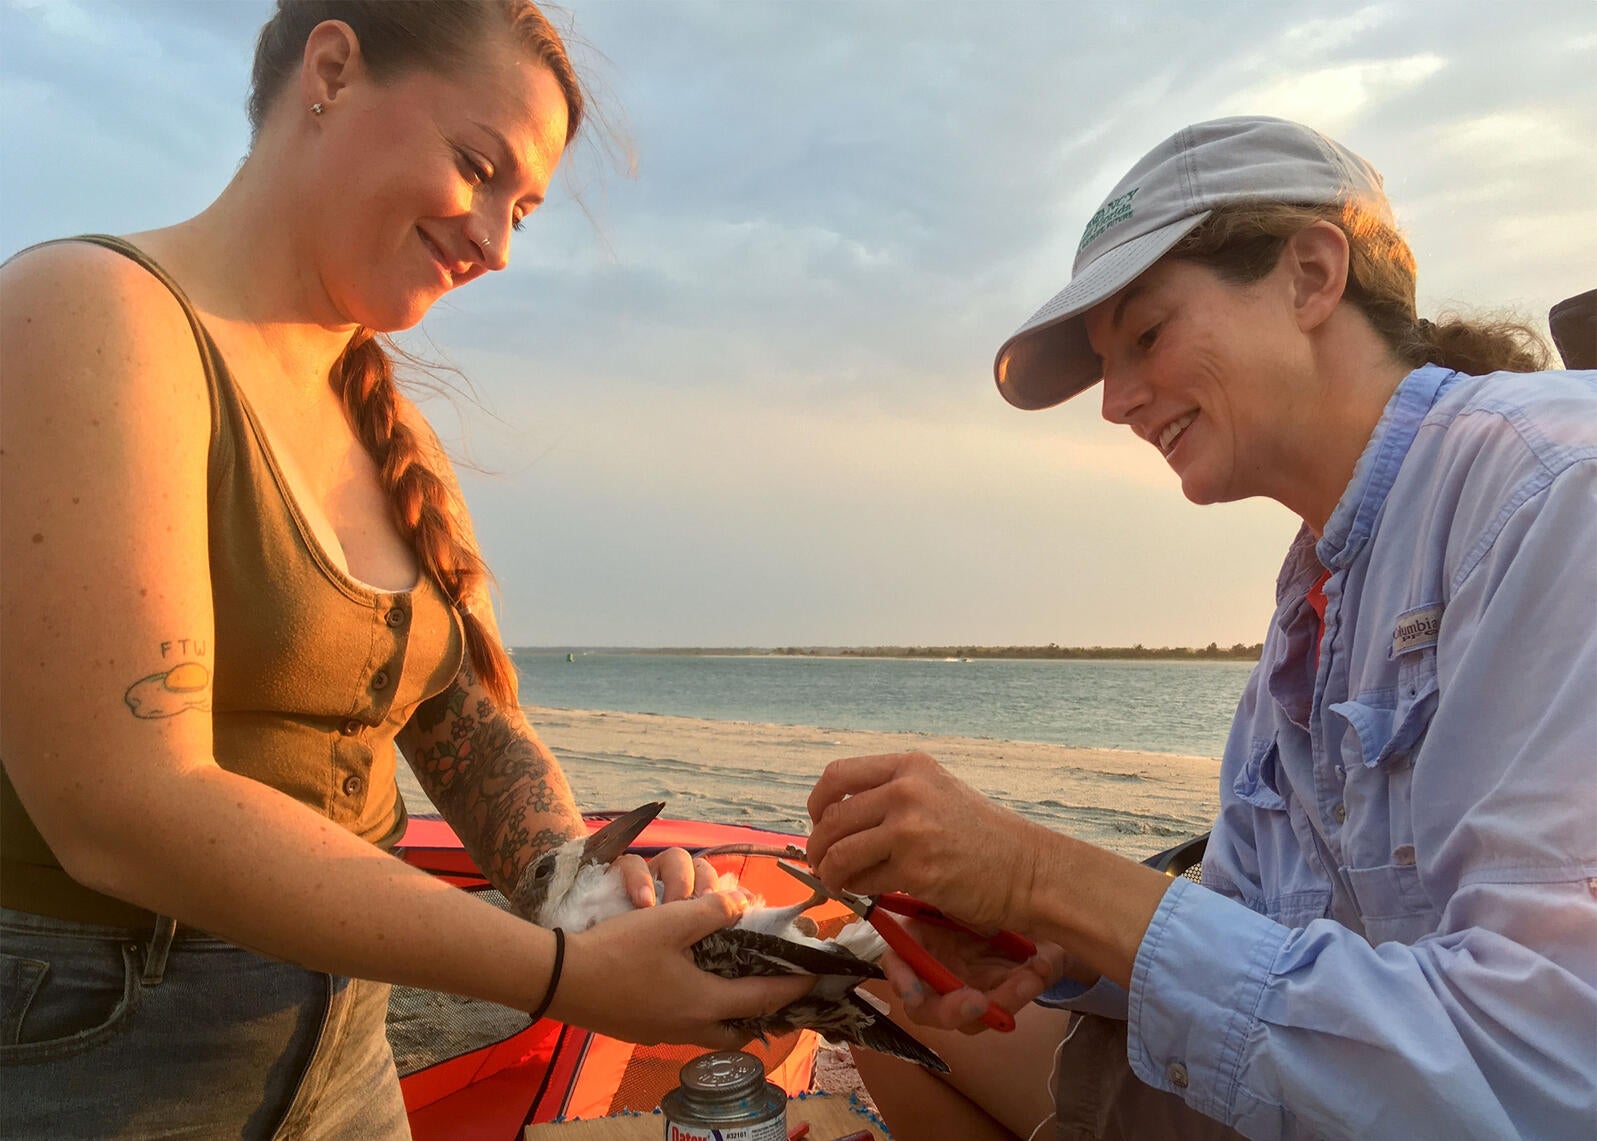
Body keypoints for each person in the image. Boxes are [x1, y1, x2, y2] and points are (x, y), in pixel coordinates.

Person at [0, 3, 807, 1137]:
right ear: (329, 71)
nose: (497, 243)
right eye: (478, 169)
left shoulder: (392, 435)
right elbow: (124, 805)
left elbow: (464, 722)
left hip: (346, 1053)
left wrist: (586, 890)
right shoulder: (90, 312)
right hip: (105, 1041)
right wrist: (559, 977)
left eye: (521, 210)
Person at [805, 116, 1597, 1140]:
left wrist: (1043, 872)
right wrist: (1046, 935)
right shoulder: (1318, 586)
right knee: (872, 1009)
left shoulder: (1549, 495)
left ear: (1311, 274)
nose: (1117, 403)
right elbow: (1254, 923)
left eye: (1145, 336)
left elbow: (1543, 1070)